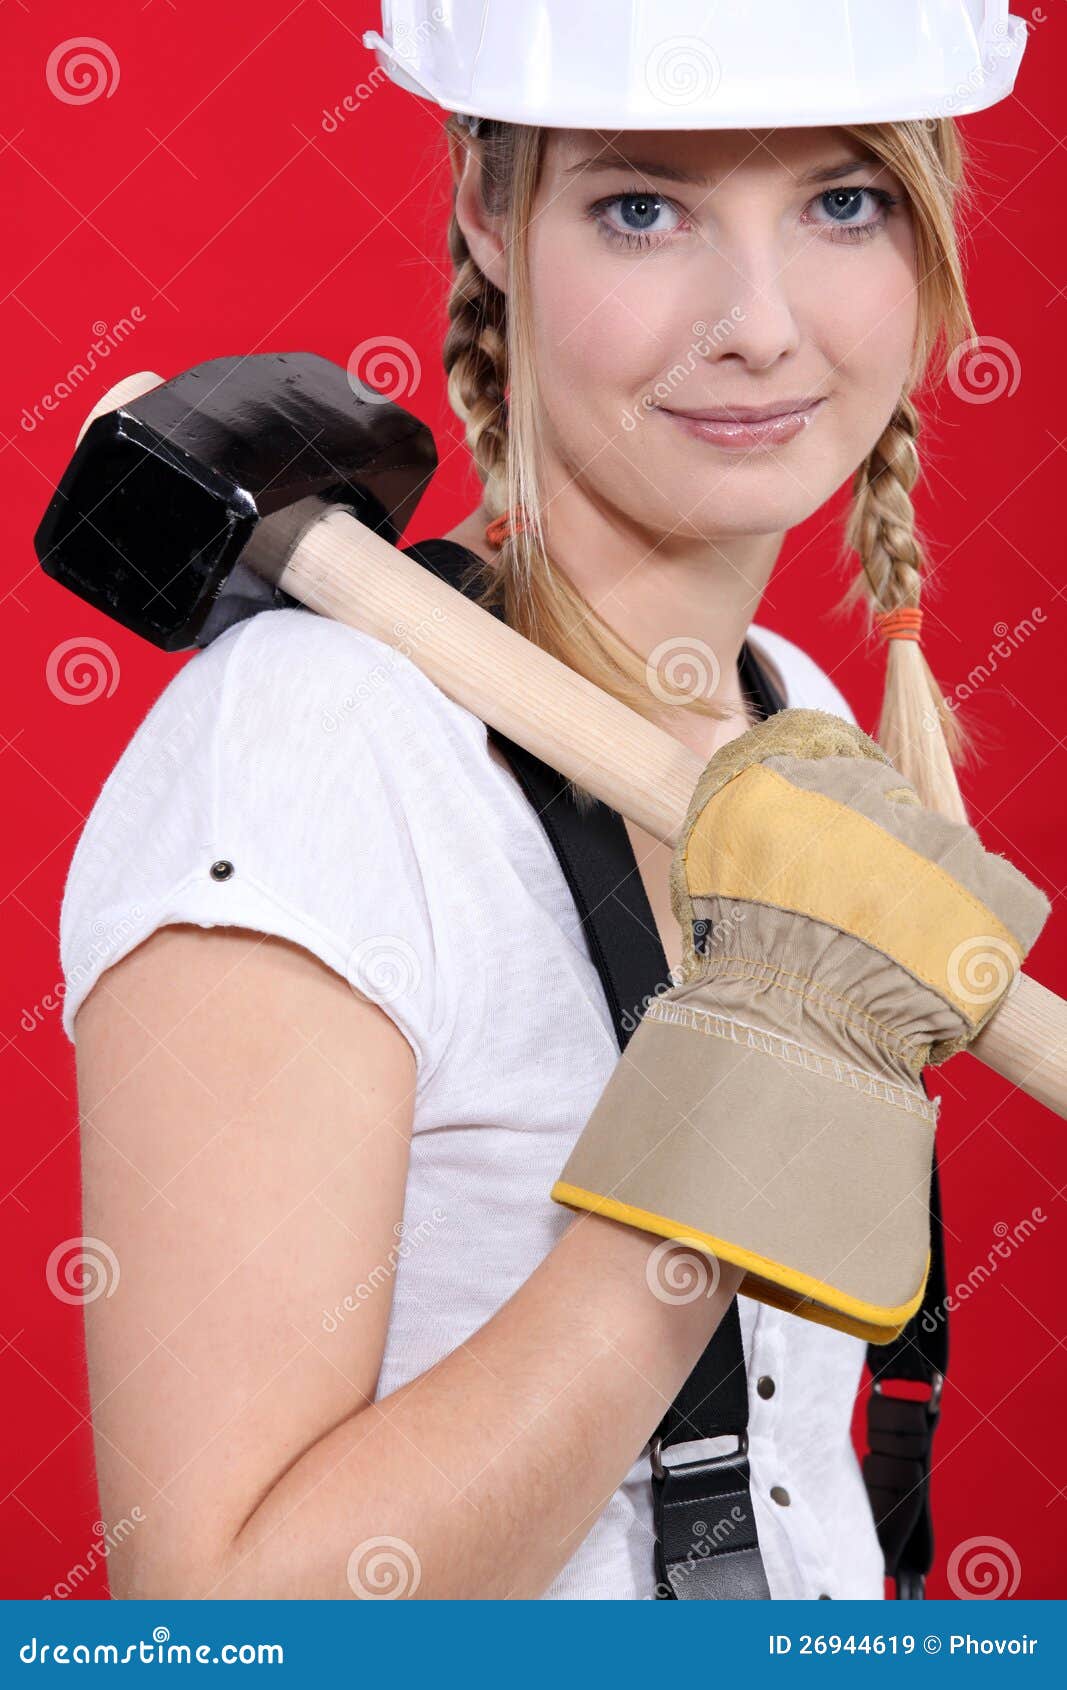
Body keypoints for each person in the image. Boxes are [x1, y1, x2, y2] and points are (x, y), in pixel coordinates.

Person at [60, 1, 1030, 1600]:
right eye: (643, 207)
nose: (763, 326)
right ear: (485, 209)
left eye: (842, 200)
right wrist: (727, 1140)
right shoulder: (311, 751)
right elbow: (230, 1622)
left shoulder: (799, 712)